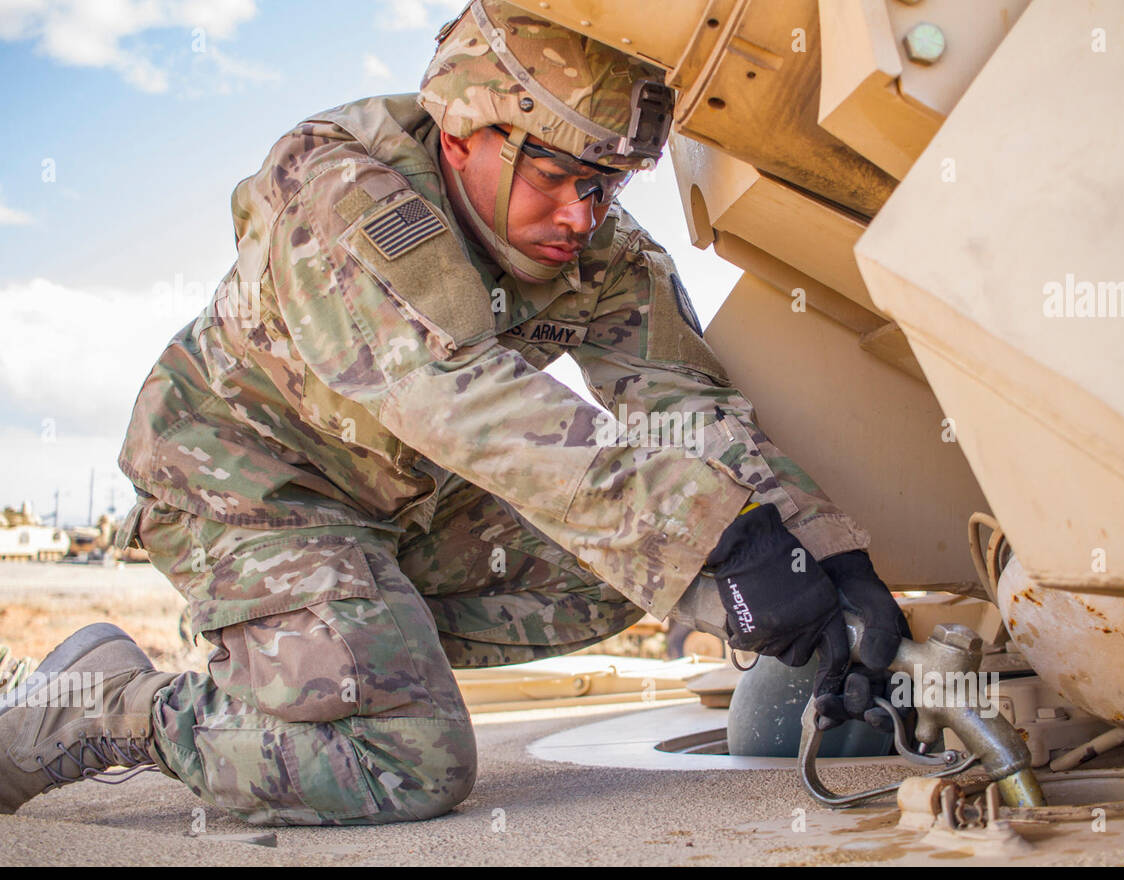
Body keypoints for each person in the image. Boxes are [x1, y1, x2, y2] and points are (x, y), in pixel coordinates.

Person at [0, 0, 910, 825]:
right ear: (465, 131)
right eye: (554, 174)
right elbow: (459, 400)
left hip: (407, 508)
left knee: (647, 563)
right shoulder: (337, 191)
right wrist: (716, 532)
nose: (582, 214)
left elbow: (687, 405)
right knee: (404, 761)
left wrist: (825, 552)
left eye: (606, 185)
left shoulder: (602, 252)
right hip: (254, 495)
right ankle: (110, 702)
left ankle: (354, 644)